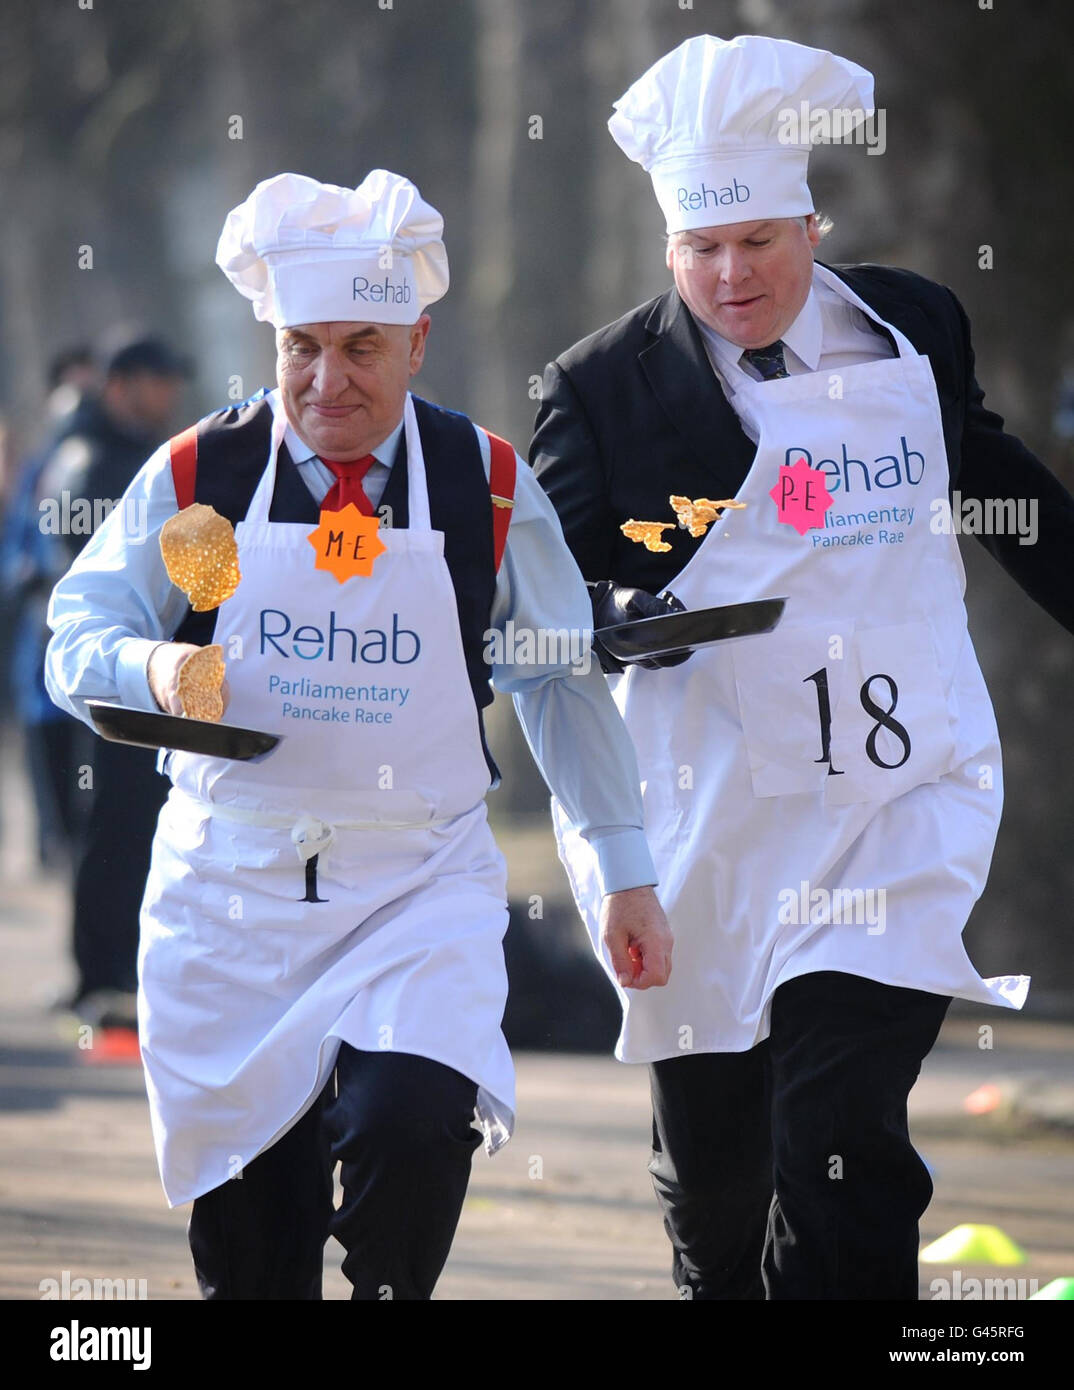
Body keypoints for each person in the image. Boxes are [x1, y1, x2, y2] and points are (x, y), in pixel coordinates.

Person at [45, 169, 672, 1300]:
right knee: (252, 1244)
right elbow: (80, 629)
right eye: (301, 347)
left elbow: (559, 677)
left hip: (415, 886)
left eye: (359, 348)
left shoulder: (481, 484)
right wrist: (157, 664)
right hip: (230, 896)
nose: (324, 380)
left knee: (412, 1123)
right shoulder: (206, 484)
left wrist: (623, 875)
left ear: (417, 342)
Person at [530, 34, 1074, 1301]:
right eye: (701, 251)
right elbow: (549, 598)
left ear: (811, 226)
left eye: (759, 243)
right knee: (721, 1188)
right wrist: (623, 611)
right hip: (708, 811)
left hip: (898, 793)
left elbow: (990, 479)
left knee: (840, 1134)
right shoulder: (599, 389)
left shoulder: (912, 327)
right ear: (669, 251)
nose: (731, 277)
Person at [38, 337, 190, 1037]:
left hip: (145, 680)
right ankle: (100, 977)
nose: (168, 395)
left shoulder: (137, 454)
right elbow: (86, 581)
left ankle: (117, 972)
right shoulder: (93, 461)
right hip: (105, 683)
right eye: (157, 380)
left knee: (130, 827)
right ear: (120, 384)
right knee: (107, 828)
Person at [1, 347, 99, 869]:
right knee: (45, 759)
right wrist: (33, 580)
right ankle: (53, 849)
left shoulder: (117, 462)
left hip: (92, 646)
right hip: (40, 647)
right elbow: (16, 550)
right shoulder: (42, 469)